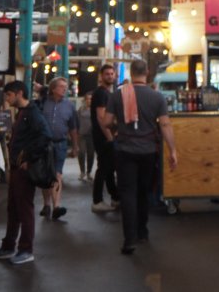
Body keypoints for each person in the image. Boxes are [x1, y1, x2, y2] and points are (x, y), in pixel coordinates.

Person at [103, 59, 179, 254]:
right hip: (148, 151)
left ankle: (129, 240)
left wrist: (118, 126)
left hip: (125, 150)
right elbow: (165, 125)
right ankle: (142, 232)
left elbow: (106, 122)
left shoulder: (118, 94)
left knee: (127, 193)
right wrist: (172, 150)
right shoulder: (157, 97)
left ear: (131, 73)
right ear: (147, 72)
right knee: (143, 192)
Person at [0, 81, 51, 265]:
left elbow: (45, 136)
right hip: (17, 168)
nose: (6, 98)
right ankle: (9, 246)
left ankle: (25, 249)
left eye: (9, 95)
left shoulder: (32, 113)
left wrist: (29, 159)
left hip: (24, 170)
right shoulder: (24, 113)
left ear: (19, 93)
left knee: (24, 208)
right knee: (14, 208)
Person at [37, 77, 78, 220]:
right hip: (44, 143)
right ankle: (46, 204)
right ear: (53, 88)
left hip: (60, 143)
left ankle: (56, 206)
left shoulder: (69, 106)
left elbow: (73, 127)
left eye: (65, 86)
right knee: (45, 174)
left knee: (57, 174)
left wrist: (75, 146)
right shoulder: (43, 103)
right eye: (61, 86)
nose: (64, 89)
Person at [91, 64, 120, 212]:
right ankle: (97, 201)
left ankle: (115, 198)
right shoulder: (101, 94)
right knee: (103, 168)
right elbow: (101, 117)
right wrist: (109, 137)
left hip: (106, 136)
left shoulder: (107, 93)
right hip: (103, 137)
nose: (110, 76)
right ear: (101, 76)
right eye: (107, 74)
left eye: (111, 74)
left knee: (109, 167)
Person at [76, 94, 95, 182]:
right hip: (82, 134)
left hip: (91, 135)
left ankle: (89, 172)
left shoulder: (95, 110)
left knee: (91, 154)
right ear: (85, 100)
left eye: (90, 99)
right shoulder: (81, 110)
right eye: (87, 99)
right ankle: (82, 171)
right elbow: (77, 121)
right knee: (81, 153)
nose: (89, 100)